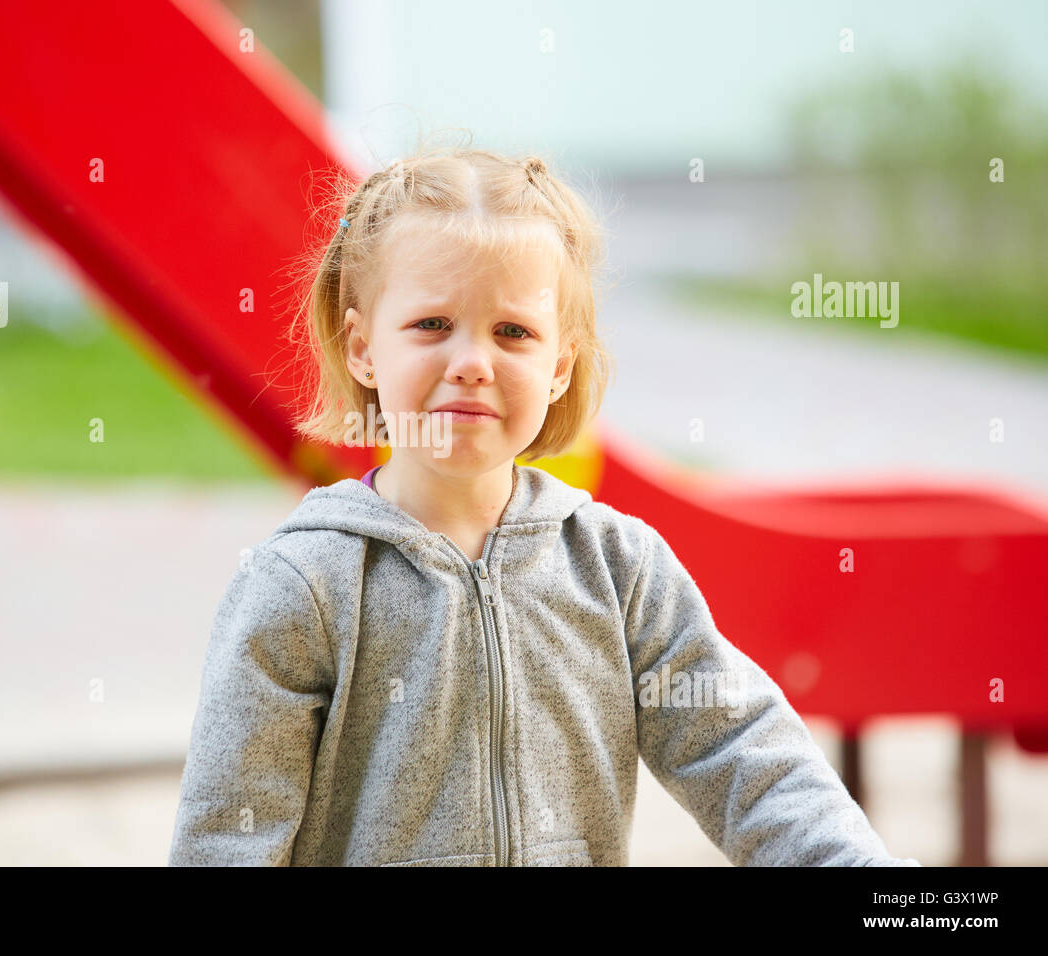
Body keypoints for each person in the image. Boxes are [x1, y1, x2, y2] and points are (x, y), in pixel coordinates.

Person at [167, 144, 919, 866]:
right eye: (432, 324)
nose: (471, 363)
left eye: (513, 333)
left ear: (559, 367)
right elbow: (229, 834)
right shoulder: (306, 583)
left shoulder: (619, 570)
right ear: (363, 347)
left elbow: (744, 754)